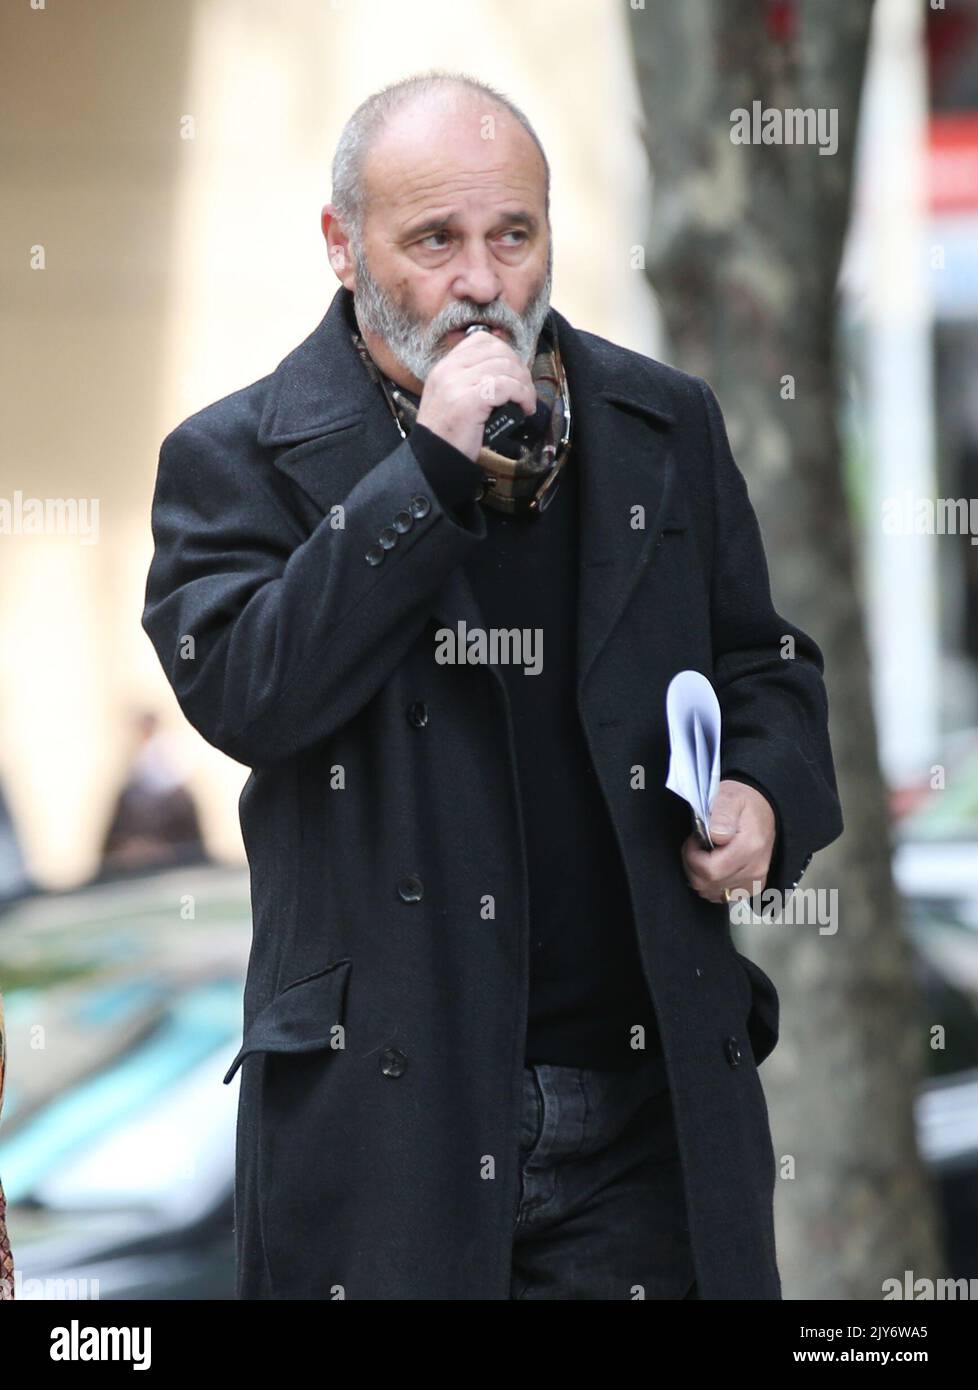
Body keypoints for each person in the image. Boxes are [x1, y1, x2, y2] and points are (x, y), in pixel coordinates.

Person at [141, 70, 843, 1301]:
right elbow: (248, 692)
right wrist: (425, 474)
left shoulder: (660, 424)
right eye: (435, 241)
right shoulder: (232, 458)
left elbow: (768, 666)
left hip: (643, 1111)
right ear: (343, 248)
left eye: (513, 236)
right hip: (390, 1120)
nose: (482, 281)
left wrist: (765, 795)